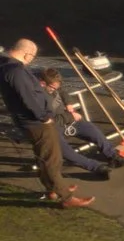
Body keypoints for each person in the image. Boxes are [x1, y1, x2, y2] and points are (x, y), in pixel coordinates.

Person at [3, 39, 94, 207]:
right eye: (33, 56)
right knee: (51, 158)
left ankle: (54, 188)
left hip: (33, 120)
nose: (32, 60)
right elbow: (28, 98)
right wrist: (43, 116)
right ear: (27, 53)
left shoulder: (11, 67)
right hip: (36, 122)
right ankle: (65, 197)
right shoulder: (16, 71)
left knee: (48, 156)